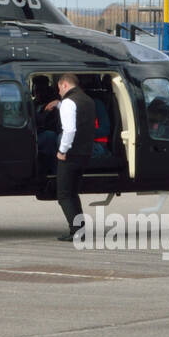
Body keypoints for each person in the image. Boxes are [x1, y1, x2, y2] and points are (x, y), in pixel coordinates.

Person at [52, 73, 95, 241]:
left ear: (64, 85)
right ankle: (80, 230)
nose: (59, 93)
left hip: (70, 155)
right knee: (73, 193)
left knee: (63, 194)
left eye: (59, 89)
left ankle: (76, 231)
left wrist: (62, 151)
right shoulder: (88, 101)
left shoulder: (69, 102)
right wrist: (58, 105)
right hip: (85, 153)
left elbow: (69, 130)